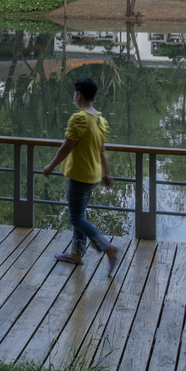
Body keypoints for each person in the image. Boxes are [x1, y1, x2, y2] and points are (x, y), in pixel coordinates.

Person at [41, 77, 118, 276]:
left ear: (79, 95)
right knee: (79, 216)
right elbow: (102, 151)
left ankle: (107, 247)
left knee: (75, 217)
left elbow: (67, 147)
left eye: (75, 93)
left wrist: (50, 166)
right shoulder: (101, 121)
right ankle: (76, 254)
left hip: (79, 175)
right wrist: (106, 174)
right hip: (93, 176)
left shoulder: (80, 118)